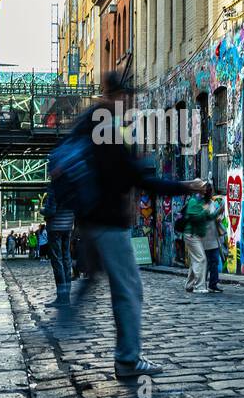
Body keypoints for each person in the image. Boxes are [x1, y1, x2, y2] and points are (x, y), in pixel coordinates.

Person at [62, 71, 204, 378]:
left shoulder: (87, 122)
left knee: (95, 279)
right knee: (128, 289)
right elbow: (138, 179)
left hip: (87, 222)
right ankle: (127, 359)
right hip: (110, 223)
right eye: (128, 98)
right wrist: (186, 185)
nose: (131, 105)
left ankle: (65, 320)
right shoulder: (110, 130)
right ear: (117, 96)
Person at [179, 182, 223, 293]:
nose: (206, 191)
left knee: (201, 260)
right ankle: (199, 286)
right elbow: (196, 217)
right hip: (196, 235)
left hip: (205, 236)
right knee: (201, 260)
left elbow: (211, 216)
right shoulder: (195, 201)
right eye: (204, 189)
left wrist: (218, 212)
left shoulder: (204, 202)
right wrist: (205, 212)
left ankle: (191, 284)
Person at [44, 197, 76, 305]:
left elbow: (50, 210)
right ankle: (66, 297)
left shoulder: (55, 187)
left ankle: (61, 297)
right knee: (66, 260)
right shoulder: (71, 185)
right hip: (67, 227)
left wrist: (42, 210)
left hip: (55, 227)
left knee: (57, 261)